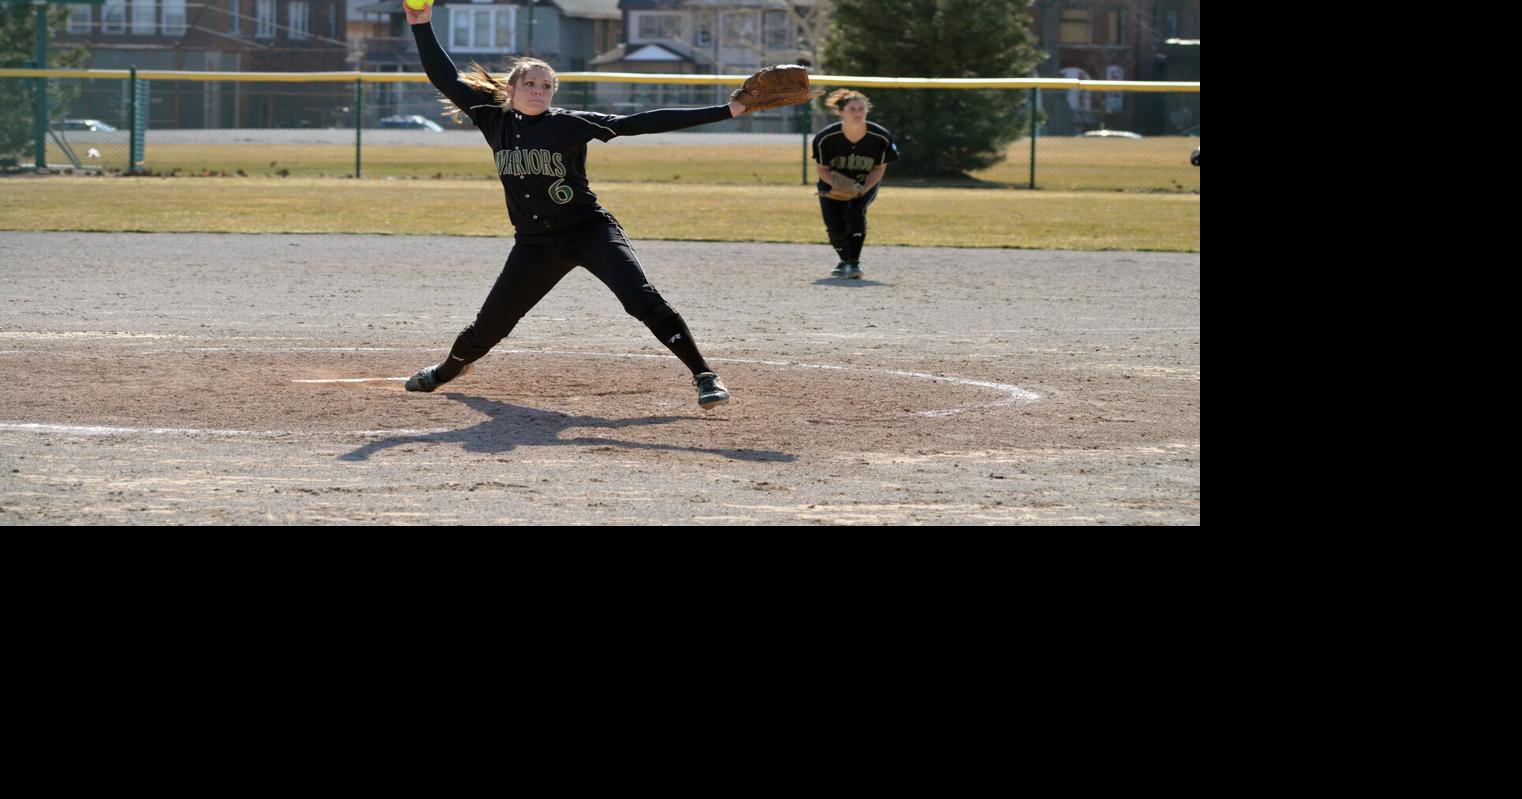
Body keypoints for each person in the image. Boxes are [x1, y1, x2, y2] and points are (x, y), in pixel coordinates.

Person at [399, 3, 749, 409]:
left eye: (547, 86)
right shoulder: (491, 118)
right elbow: (444, 77)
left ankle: (705, 375)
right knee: (490, 326)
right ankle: (446, 371)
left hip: (588, 231)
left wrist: (727, 110)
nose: (539, 91)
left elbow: (637, 123)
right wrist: (421, 25)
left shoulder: (569, 123)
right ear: (511, 90)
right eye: (531, 84)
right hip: (534, 244)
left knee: (640, 299)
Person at [812, 89, 899, 279]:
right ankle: (844, 260)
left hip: (865, 183)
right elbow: (822, 170)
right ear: (841, 112)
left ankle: (854, 263)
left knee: (855, 211)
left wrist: (863, 188)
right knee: (834, 225)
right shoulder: (826, 138)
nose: (857, 113)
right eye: (852, 109)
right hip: (831, 184)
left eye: (861, 109)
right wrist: (839, 186)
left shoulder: (880, 137)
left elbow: (878, 169)